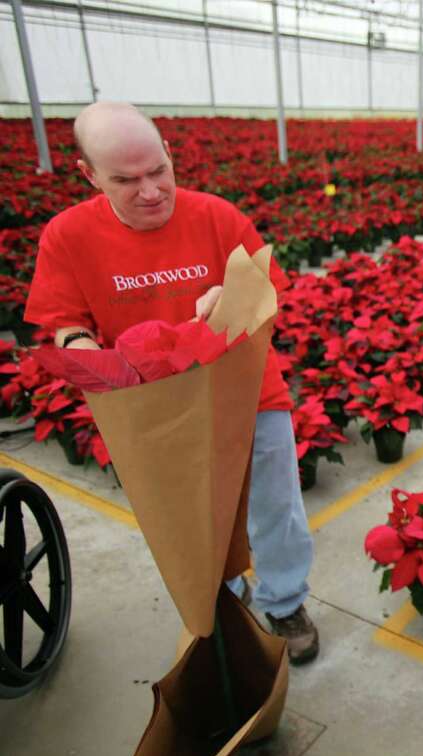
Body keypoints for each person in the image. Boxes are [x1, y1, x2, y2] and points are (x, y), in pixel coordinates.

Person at [24, 102, 320, 665]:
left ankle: (286, 603)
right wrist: (86, 353)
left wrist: (233, 297)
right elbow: (63, 323)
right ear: (89, 175)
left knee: (276, 506)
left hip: (248, 394)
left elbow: (268, 287)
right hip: (156, 407)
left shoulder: (216, 216)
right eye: (126, 180)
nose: (152, 190)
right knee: (191, 517)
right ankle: (226, 604)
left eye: (159, 170)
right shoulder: (67, 237)